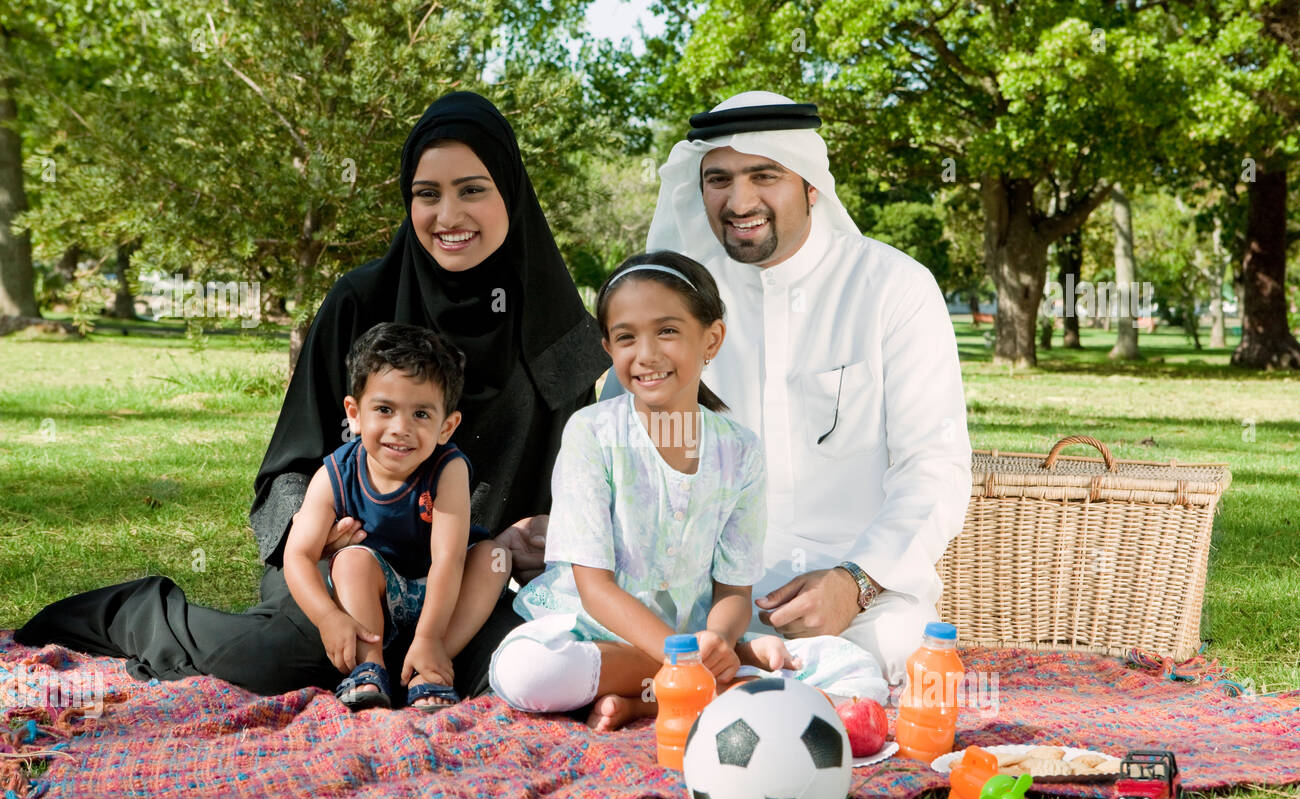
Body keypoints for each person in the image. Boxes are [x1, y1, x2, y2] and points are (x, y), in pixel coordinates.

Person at [15, 92, 609, 705]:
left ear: (510, 192)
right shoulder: (360, 300)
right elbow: (287, 467)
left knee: (522, 675)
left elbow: (584, 484)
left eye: (472, 189)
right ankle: (136, 613)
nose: (447, 214)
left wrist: (536, 535)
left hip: (475, 585)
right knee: (279, 662)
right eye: (427, 193)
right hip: (344, 560)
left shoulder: (553, 326)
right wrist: (314, 528)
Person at [603, 91, 972, 699]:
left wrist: (856, 582)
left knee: (893, 657)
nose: (739, 201)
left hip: (859, 603)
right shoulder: (672, 307)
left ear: (810, 186)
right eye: (718, 179)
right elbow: (618, 454)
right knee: (569, 649)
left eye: (764, 175)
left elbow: (933, 467)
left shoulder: (894, 289)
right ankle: (703, 682)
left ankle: (687, 693)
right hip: (700, 598)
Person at [489, 252, 888, 725]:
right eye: (626, 337)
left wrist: (717, 638)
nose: (647, 353)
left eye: (667, 331)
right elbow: (594, 590)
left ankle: (659, 696)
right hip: (594, 633)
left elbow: (734, 590)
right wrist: (689, 659)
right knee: (526, 672)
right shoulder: (592, 433)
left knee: (861, 671)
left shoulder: (740, 451)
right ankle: (719, 682)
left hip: (698, 635)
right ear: (608, 349)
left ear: (712, 339)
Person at [284, 323, 510, 712]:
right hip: (377, 599)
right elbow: (298, 556)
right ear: (354, 414)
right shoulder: (335, 474)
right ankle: (370, 669)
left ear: (447, 426)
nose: (400, 429)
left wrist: (431, 634)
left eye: (421, 413)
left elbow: (449, 559)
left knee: (494, 557)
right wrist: (326, 618)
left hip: (445, 596)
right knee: (351, 559)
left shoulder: (448, 469)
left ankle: (431, 664)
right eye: (384, 410)